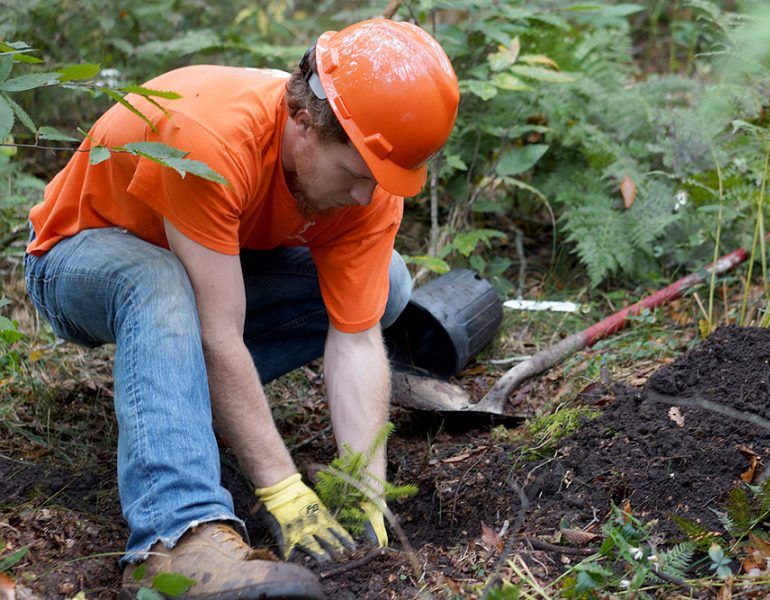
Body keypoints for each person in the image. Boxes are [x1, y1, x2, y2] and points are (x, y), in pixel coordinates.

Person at [23, 18, 459, 599]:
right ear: (302, 120)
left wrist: (364, 487)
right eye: (356, 174)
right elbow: (217, 330)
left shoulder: (370, 185)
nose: (365, 196)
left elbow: (354, 338)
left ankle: (168, 399)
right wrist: (282, 486)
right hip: (80, 257)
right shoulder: (213, 137)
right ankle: (176, 538)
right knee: (159, 281)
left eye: (381, 180)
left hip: (207, 270)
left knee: (391, 285)